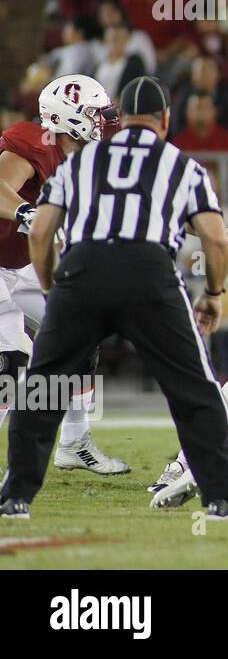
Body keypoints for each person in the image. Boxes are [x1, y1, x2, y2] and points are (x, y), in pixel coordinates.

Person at [0, 76, 228, 521]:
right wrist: (213, 292)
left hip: (79, 274)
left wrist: (50, 286)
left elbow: (41, 230)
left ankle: (16, 495)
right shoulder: (179, 163)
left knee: (42, 383)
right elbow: (213, 238)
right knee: (195, 388)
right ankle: (223, 498)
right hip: (150, 276)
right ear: (166, 119)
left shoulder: (84, 162)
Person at [0, 75, 130, 474]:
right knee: (12, 356)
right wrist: (25, 211)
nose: (104, 120)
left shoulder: (87, 161)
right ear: (69, 116)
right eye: (95, 112)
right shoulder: (34, 144)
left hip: (19, 265)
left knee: (80, 329)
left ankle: (74, 443)